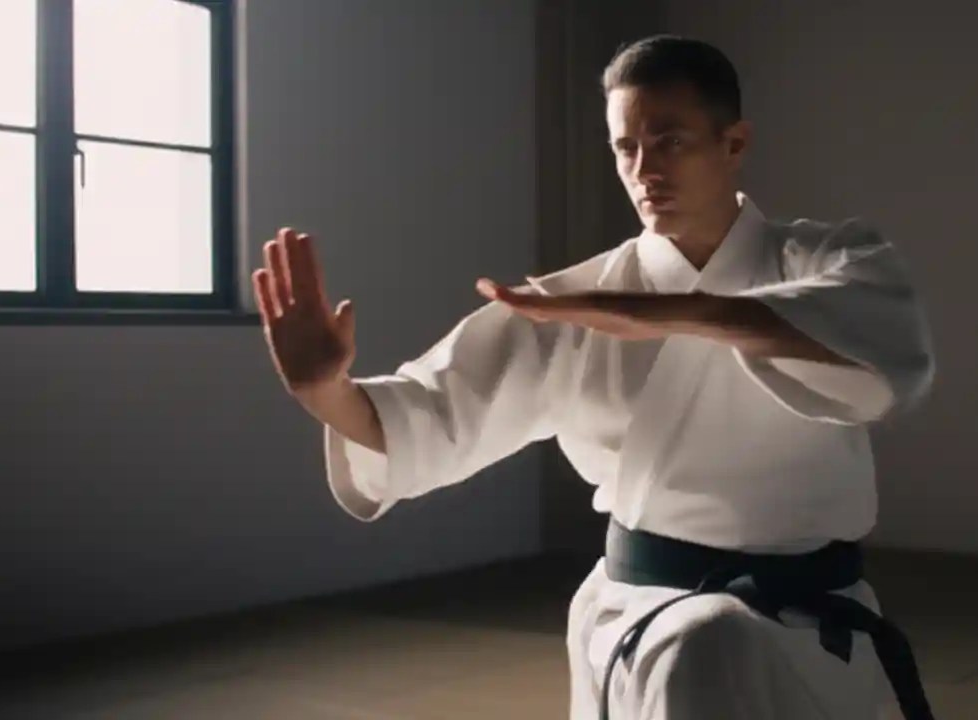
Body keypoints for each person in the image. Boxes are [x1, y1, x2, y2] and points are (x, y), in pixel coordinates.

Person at [253, 35, 936, 720]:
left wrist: (679, 315)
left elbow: (885, 361)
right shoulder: (577, 301)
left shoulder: (828, 258)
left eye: (669, 142)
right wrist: (324, 391)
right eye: (624, 148)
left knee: (721, 642)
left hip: (813, 621)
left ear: (733, 143)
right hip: (652, 608)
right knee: (704, 644)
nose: (644, 170)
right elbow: (423, 418)